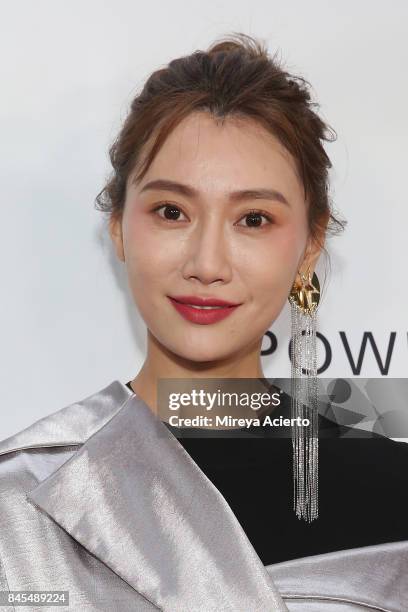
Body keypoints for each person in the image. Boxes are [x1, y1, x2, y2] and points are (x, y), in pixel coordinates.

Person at [0, 33, 407, 612]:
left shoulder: (397, 496)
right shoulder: (19, 500)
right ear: (118, 226)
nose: (207, 264)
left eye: (254, 219)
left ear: (310, 246)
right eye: (172, 212)